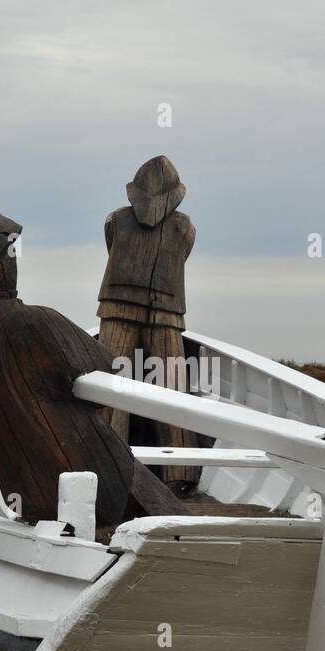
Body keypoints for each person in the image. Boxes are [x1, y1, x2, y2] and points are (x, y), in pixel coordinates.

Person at [0, 197, 181, 530]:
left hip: (30, 499)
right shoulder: (30, 325)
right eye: (8, 253)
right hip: (107, 487)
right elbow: (108, 365)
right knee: (170, 513)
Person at [97, 155, 197, 487]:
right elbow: (183, 254)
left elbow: (111, 247)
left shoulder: (116, 220)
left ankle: (106, 468)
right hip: (167, 311)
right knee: (171, 391)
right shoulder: (184, 227)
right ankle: (180, 474)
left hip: (117, 307)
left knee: (112, 391)